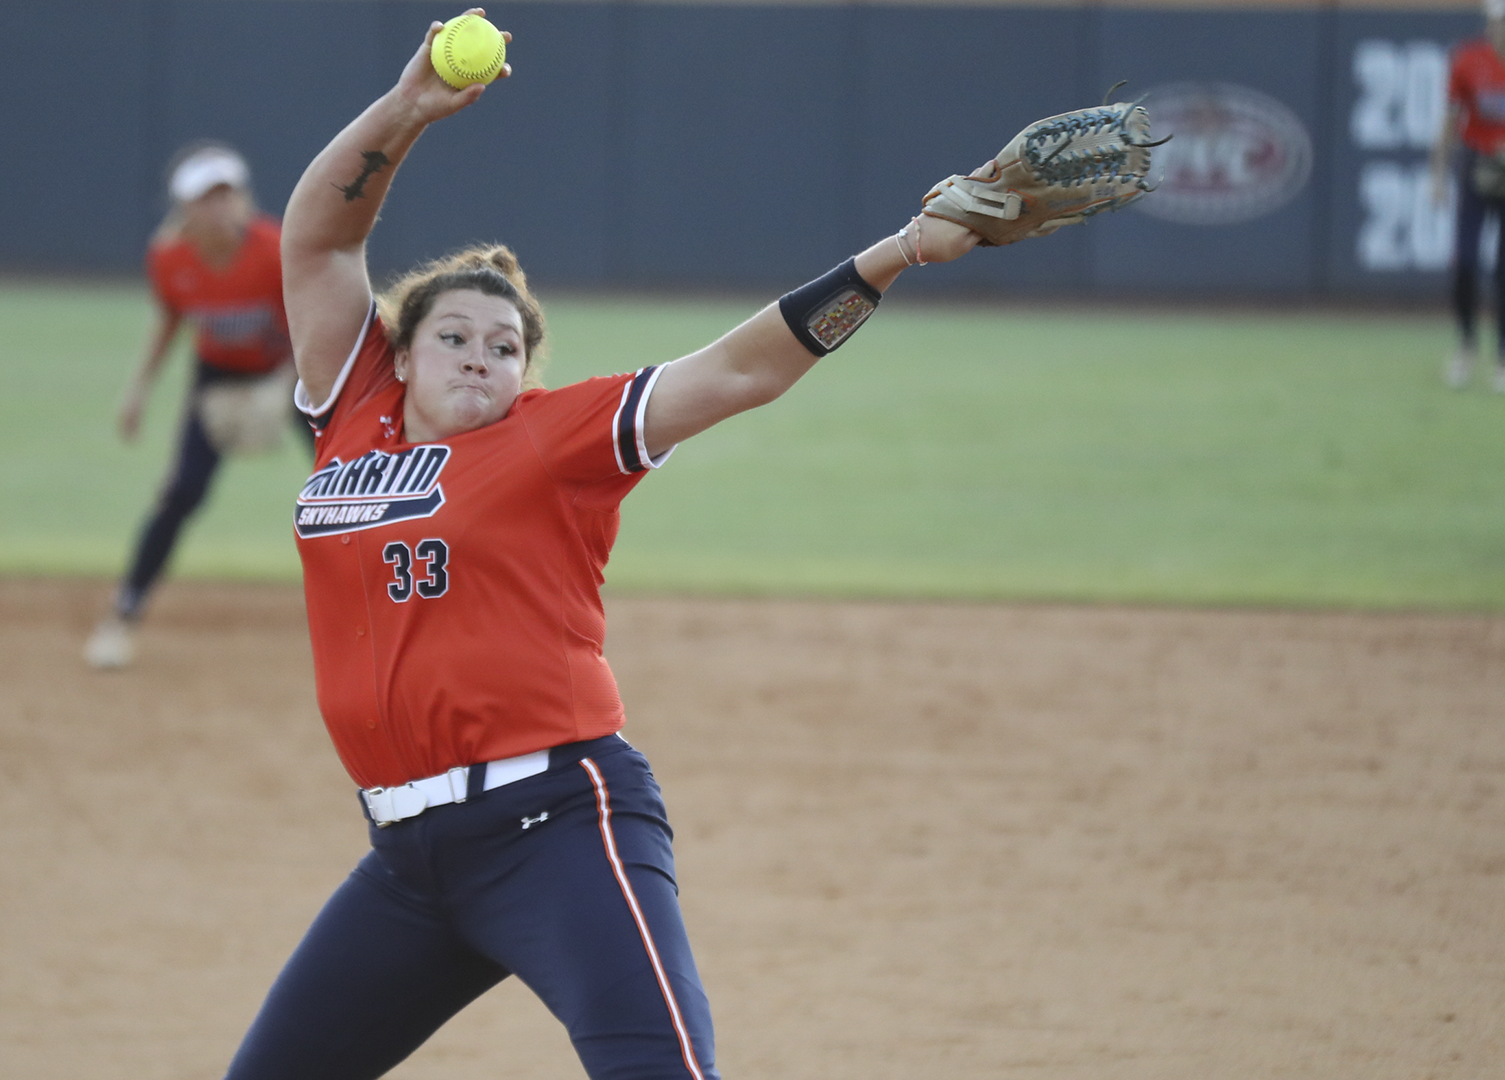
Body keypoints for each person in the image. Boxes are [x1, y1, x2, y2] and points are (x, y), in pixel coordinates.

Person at [226, 12, 980, 1079]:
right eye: (454, 336)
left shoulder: (552, 439)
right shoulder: (352, 410)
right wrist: (407, 111)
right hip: (405, 864)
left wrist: (899, 254)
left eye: (505, 345)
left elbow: (740, 372)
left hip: (557, 827)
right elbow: (319, 237)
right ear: (398, 350)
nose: (483, 357)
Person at [84, 142, 308, 669]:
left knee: (351, 484)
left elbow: (314, 322)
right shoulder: (168, 258)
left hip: (294, 373)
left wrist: (287, 384)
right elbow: (170, 319)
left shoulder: (275, 248)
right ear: (184, 206)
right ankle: (123, 614)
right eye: (208, 197)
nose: (221, 206)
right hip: (216, 376)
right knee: (181, 493)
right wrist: (138, 390)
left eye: (229, 193)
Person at [1433, 0, 1505, 392]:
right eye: (1498, 22)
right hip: (1477, 165)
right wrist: (1437, 173)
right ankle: (1465, 346)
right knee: (1465, 259)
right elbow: (1450, 118)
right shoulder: (1468, 59)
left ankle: (1503, 358)